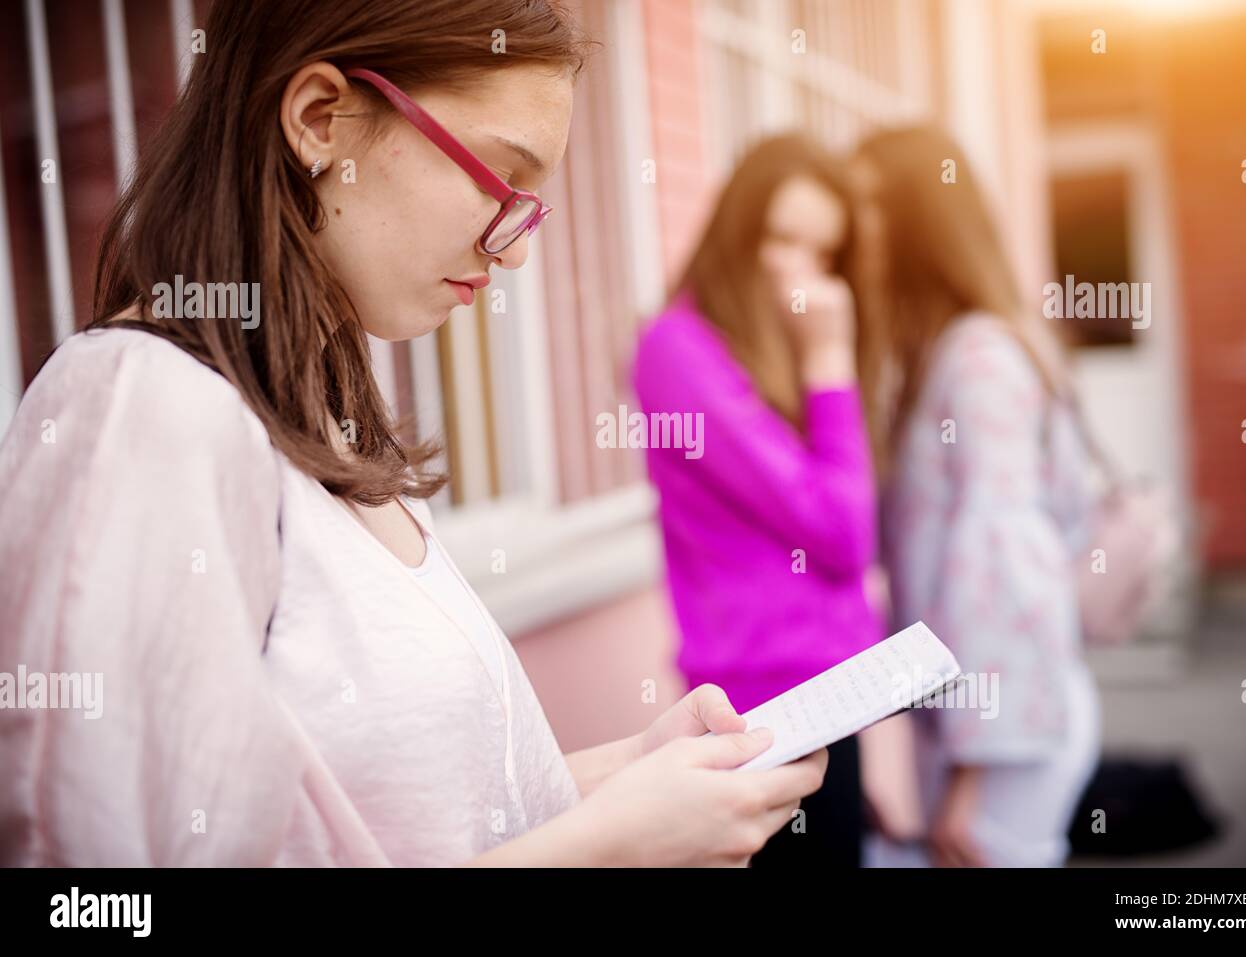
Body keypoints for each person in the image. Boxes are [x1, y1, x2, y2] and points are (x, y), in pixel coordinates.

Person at [0, 0, 827, 867]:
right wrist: (607, 849)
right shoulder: (144, 409)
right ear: (321, 119)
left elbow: (416, 828)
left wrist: (635, 773)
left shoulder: (333, 433)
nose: (512, 251)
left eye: (529, 205)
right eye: (498, 178)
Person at [848, 126, 1102, 867]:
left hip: (1004, 737)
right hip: (990, 724)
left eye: (869, 205)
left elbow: (1003, 565)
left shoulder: (977, 357)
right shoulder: (960, 349)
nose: (853, 228)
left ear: (915, 222)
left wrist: (972, 773)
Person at [633, 135, 884, 867]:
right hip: (765, 709)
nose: (800, 270)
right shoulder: (679, 349)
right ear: (738, 232)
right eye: (781, 238)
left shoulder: (766, 348)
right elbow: (842, 533)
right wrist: (832, 359)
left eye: (823, 252)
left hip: (832, 696)